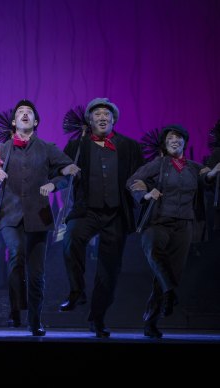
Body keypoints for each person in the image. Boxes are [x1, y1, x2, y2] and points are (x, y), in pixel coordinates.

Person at [0, 99, 78, 336]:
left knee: (36, 272)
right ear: (13, 122)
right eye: (20, 112)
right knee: (16, 253)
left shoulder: (47, 148)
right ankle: (15, 308)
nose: (24, 114)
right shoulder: (2, 149)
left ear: (36, 121)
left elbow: (68, 171)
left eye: (29, 112)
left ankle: (34, 320)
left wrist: (55, 183)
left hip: (38, 216)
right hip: (9, 215)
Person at [59, 98, 144, 338]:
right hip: (87, 210)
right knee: (71, 240)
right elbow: (60, 171)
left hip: (116, 213)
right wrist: (65, 171)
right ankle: (77, 291)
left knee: (109, 270)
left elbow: (142, 174)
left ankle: (97, 318)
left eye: (107, 114)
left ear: (114, 120)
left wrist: (144, 186)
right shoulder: (77, 146)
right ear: (89, 120)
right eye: (97, 114)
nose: (103, 117)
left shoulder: (129, 146)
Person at [127, 125, 220, 338]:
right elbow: (132, 181)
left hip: (184, 226)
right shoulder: (158, 164)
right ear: (164, 143)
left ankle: (152, 320)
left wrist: (214, 171)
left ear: (185, 142)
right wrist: (146, 193)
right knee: (155, 254)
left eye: (178, 137)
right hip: (157, 221)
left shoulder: (195, 167)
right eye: (170, 138)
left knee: (170, 273)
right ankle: (170, 292)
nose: (175, 140)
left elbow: (207, 177)